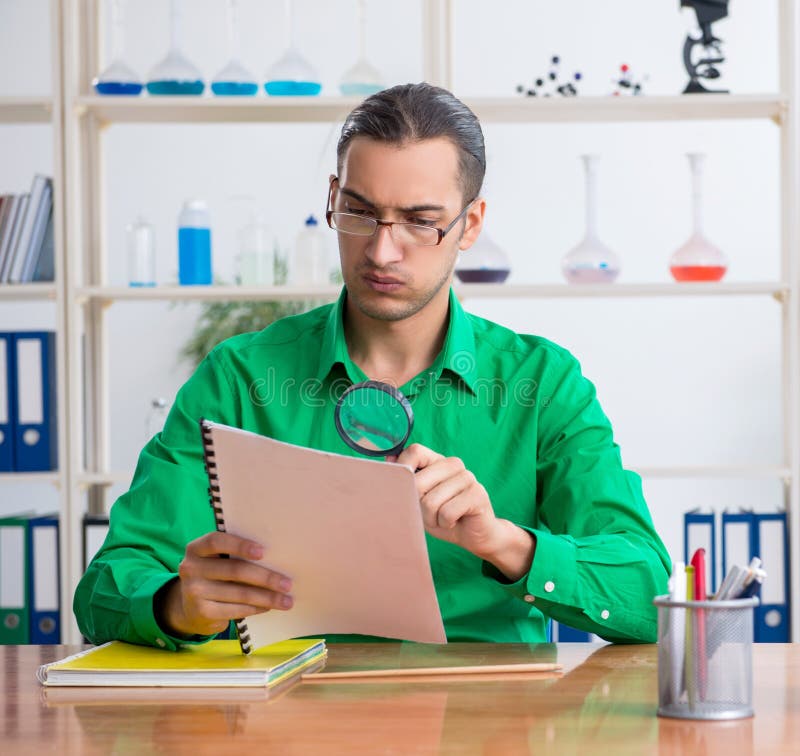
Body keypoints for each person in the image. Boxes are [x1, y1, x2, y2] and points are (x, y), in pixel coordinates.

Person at [75, 83, 670, 649]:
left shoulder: (542, 384)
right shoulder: (240, 378)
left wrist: (504, 542)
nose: (383, 251)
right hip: (281, 717)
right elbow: (106, 585)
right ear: (333, 199)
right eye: (359, 213)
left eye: (419, 221)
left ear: (471, 224)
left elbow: (647, 594)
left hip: (484, 718)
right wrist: (178, 605)